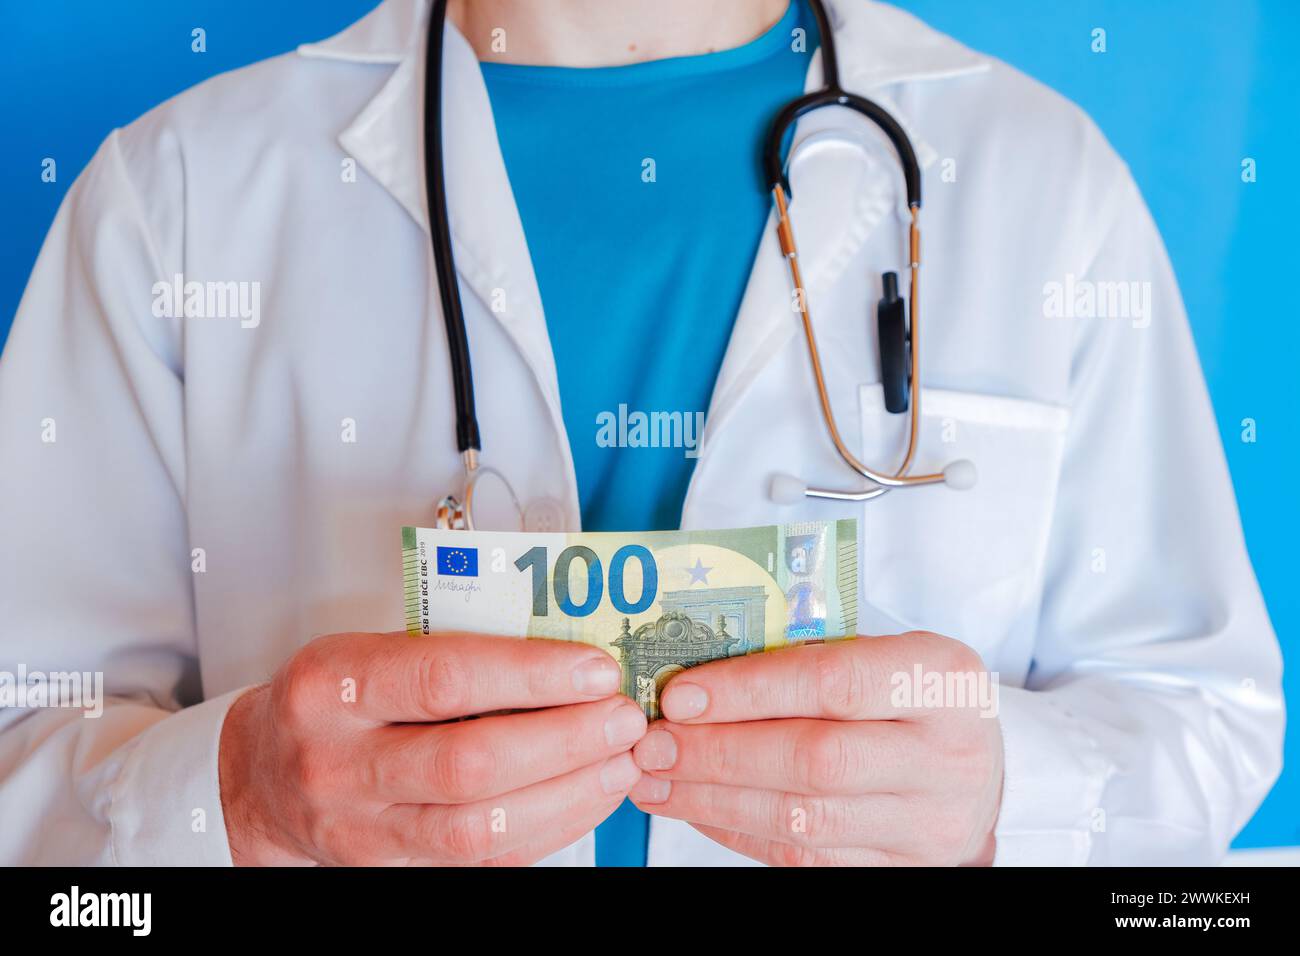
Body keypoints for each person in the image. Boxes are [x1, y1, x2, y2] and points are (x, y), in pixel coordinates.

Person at [0, 0, 1282, 867]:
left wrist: (1011, 798)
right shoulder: (177, 196)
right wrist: (235, 796)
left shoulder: (1040, 175)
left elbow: (1205, 715)